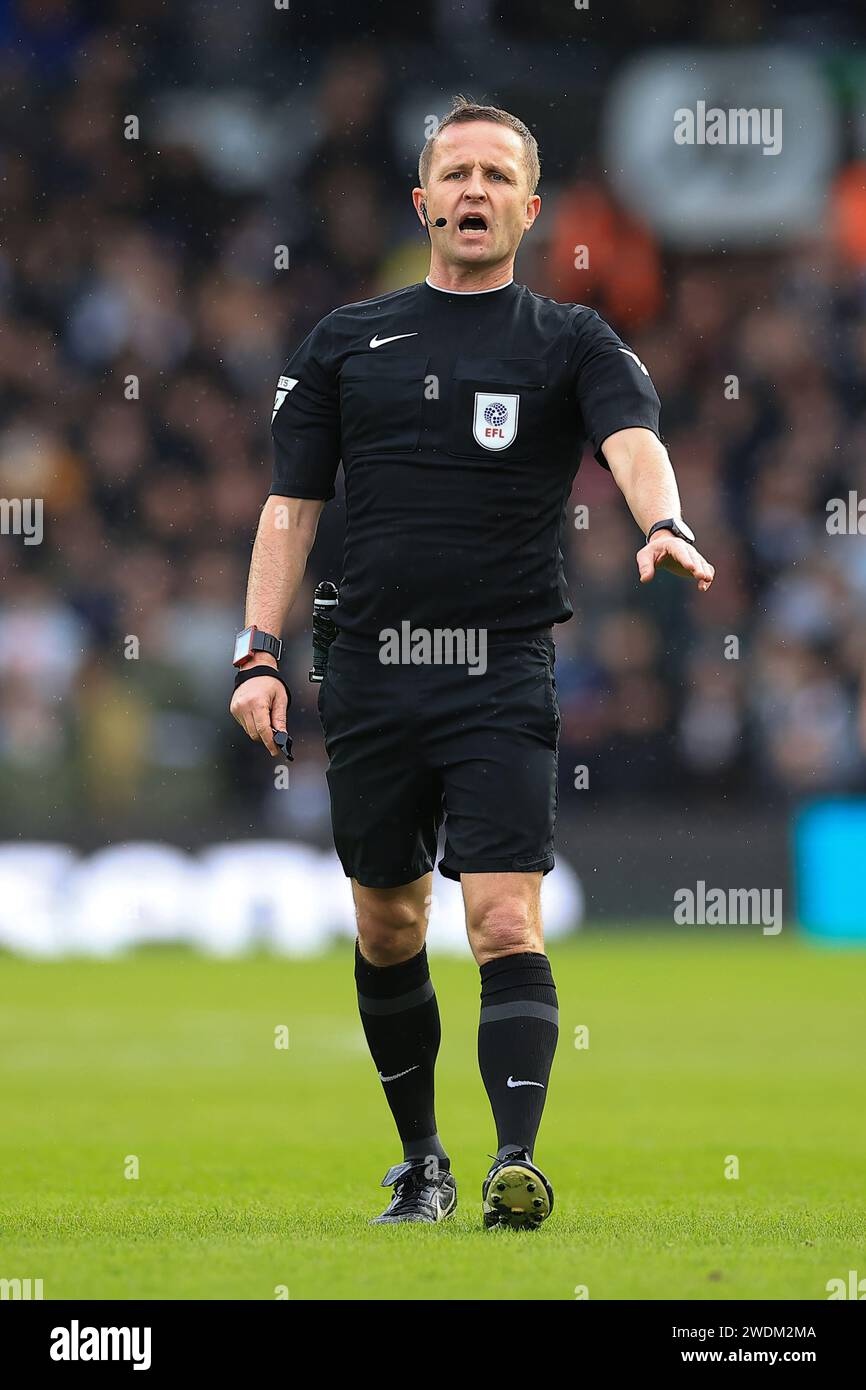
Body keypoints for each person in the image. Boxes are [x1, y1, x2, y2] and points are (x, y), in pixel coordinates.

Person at [230, 97, 715, 1229]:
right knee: (388, 926)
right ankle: (421, 1161)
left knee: (502, 917)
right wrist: (257, 651)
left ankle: (513, 1163)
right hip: (370, 667)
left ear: (530, 208)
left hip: (499, 669)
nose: (473, 192)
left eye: (497, 175)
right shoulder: (347, 341)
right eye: (455, 173)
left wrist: (664, 521)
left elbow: (633, 442)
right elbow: (288, 510)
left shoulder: (570, 341)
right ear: (422, 201)